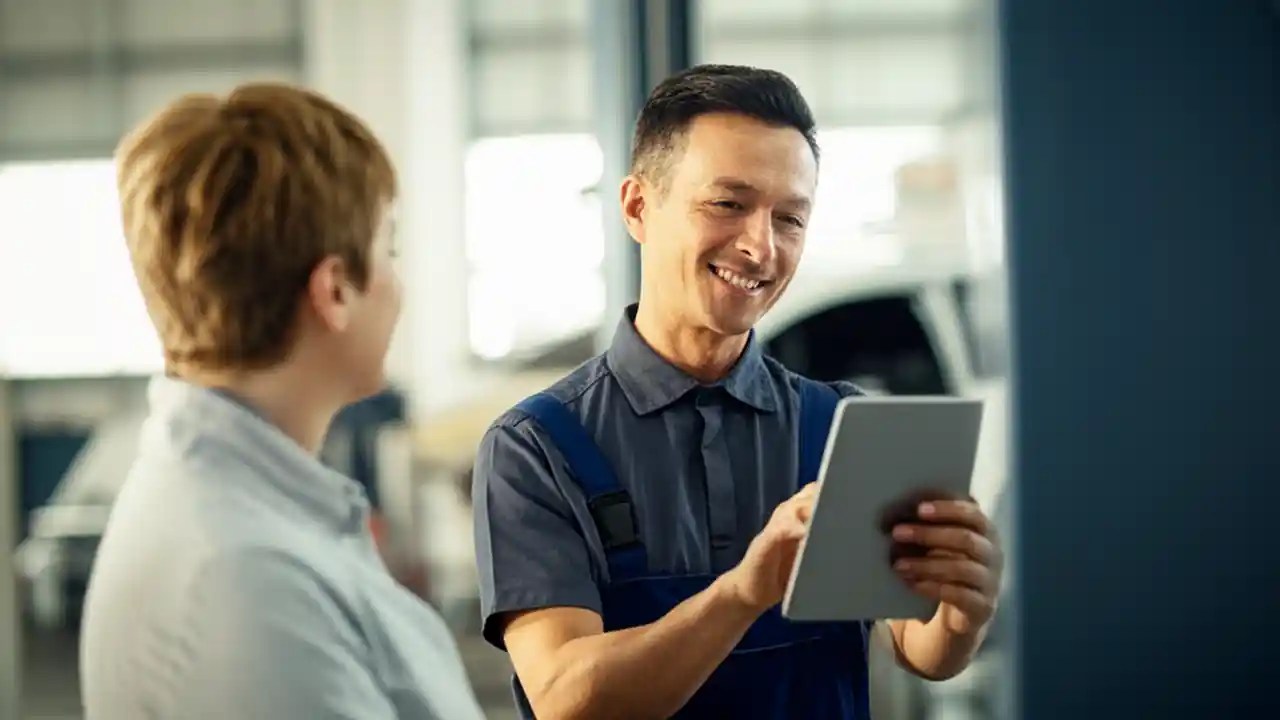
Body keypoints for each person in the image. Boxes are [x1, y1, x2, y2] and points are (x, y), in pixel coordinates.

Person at [472, 64, 1004, 719]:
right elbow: (567, 699)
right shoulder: (536, 449)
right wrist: (743, 593)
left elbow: (920, 649)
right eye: (728, 204)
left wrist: (961, 609)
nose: (761, 247)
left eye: (789, 219)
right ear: (639, 207)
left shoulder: (840, 424)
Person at [80, 83, 484, 720]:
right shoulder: (249, 582)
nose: (399, 283)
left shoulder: (245, 513)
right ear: (334, 291)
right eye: (390, 249)